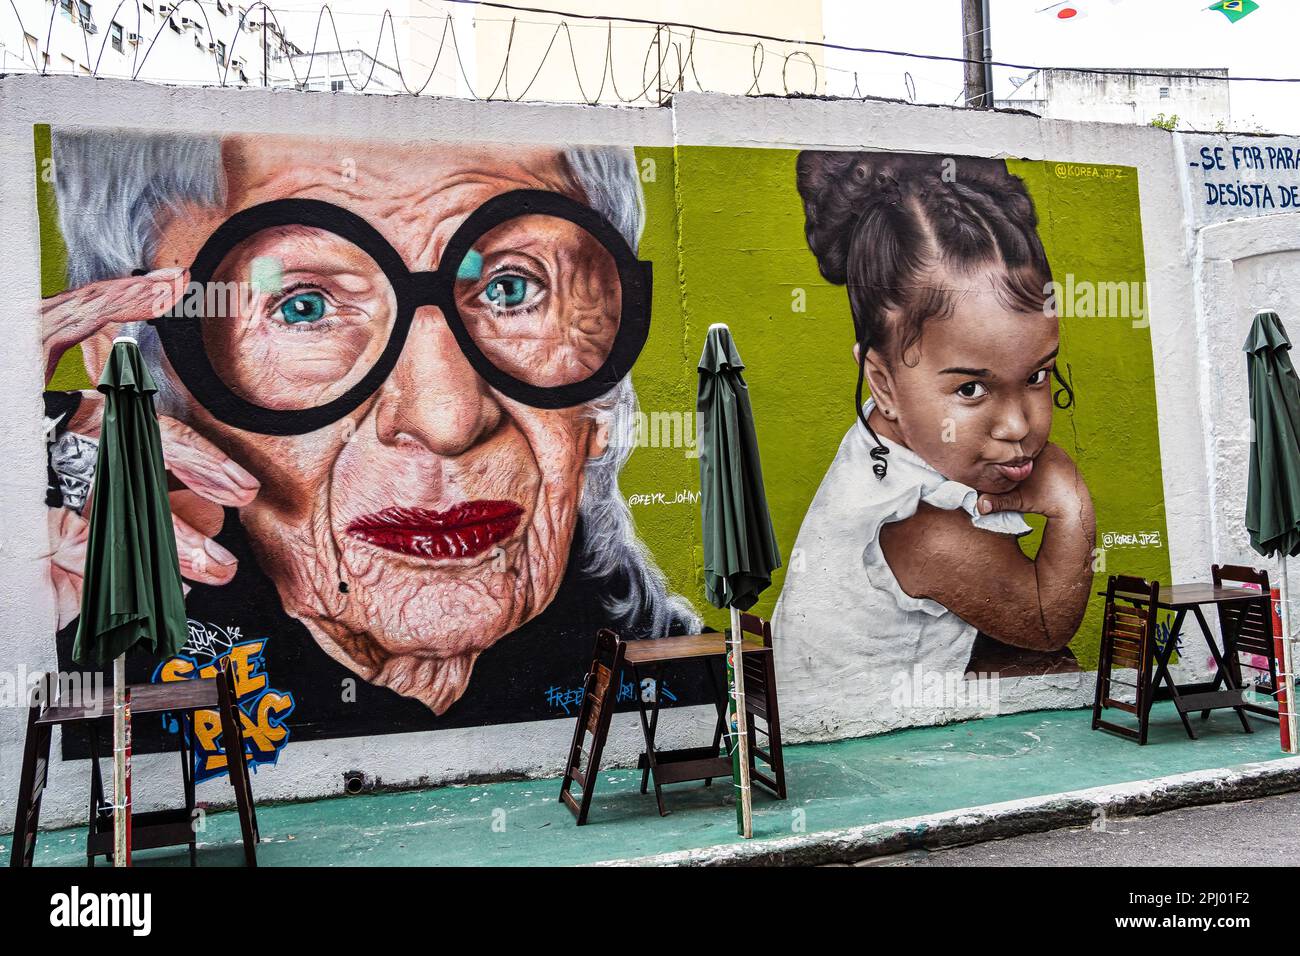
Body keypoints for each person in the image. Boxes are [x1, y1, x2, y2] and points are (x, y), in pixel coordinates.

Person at [41, 129, 699, 740]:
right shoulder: (96, 664)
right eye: (304, 307)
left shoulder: (678, 673)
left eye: (511, 288)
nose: (447, 420)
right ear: (123, 355)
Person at [774, 151, 1096, 737]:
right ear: (882, 383)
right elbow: (1049, 622)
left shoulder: (887, 440)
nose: (1018, 425)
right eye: (971, 388)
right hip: (861, 749)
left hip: (879, 715)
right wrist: (1071, 506)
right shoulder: (915, 522)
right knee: (1053, 661)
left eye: (1038, 375)